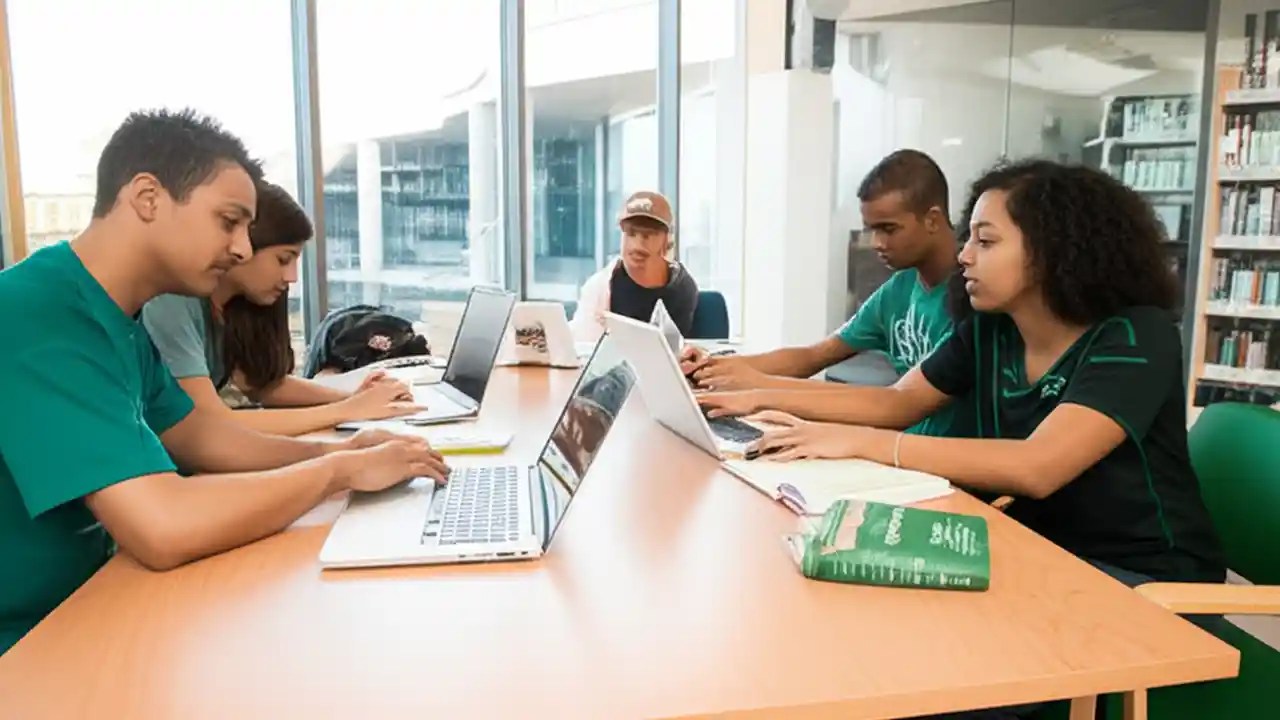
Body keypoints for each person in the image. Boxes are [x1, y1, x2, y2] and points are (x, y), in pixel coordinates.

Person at [0, 109, 448, 656]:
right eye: (228, 221)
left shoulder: (116, 318)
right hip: (28, 645)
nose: (241, 248)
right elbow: (162, 526)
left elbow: (203, 437)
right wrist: (338, 469)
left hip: (85, 604)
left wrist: (342, 446)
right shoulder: (39, 315)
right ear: (147, 198)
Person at [742, 159, 1225, 596]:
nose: (963, 256)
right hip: (1039, 550)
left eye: (986, 241)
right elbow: (897, 404)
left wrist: (864, 443)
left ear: (1055, 251)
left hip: (1148, 583)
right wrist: (752, 398)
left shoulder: (1135, 335)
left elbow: (1037, 467)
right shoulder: (993, 328)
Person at [688, 149, 961, 437]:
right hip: (897, 451)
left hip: (935, 461)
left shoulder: (970, 300)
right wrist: (715, 368)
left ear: (932, 220)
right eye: (871, 230)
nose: (877, 243)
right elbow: (815, 355)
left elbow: (895, 402)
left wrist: (757, 386)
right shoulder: (899, 288)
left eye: (888, 229)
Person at [142, 181, 419, 436]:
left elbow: (261, 385)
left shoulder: (229, 308)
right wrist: (349, 410)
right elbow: (209, 424)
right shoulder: (173, 301)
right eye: (283, 259)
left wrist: (354, 397)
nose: (291, 277)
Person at [569, 190, 699, 342]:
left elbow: (674, 351)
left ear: (666, 239)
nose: (637, 245)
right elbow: (584, 347)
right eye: (630, 234)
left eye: (647, 235)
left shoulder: (682, 287)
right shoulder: (599, 288)